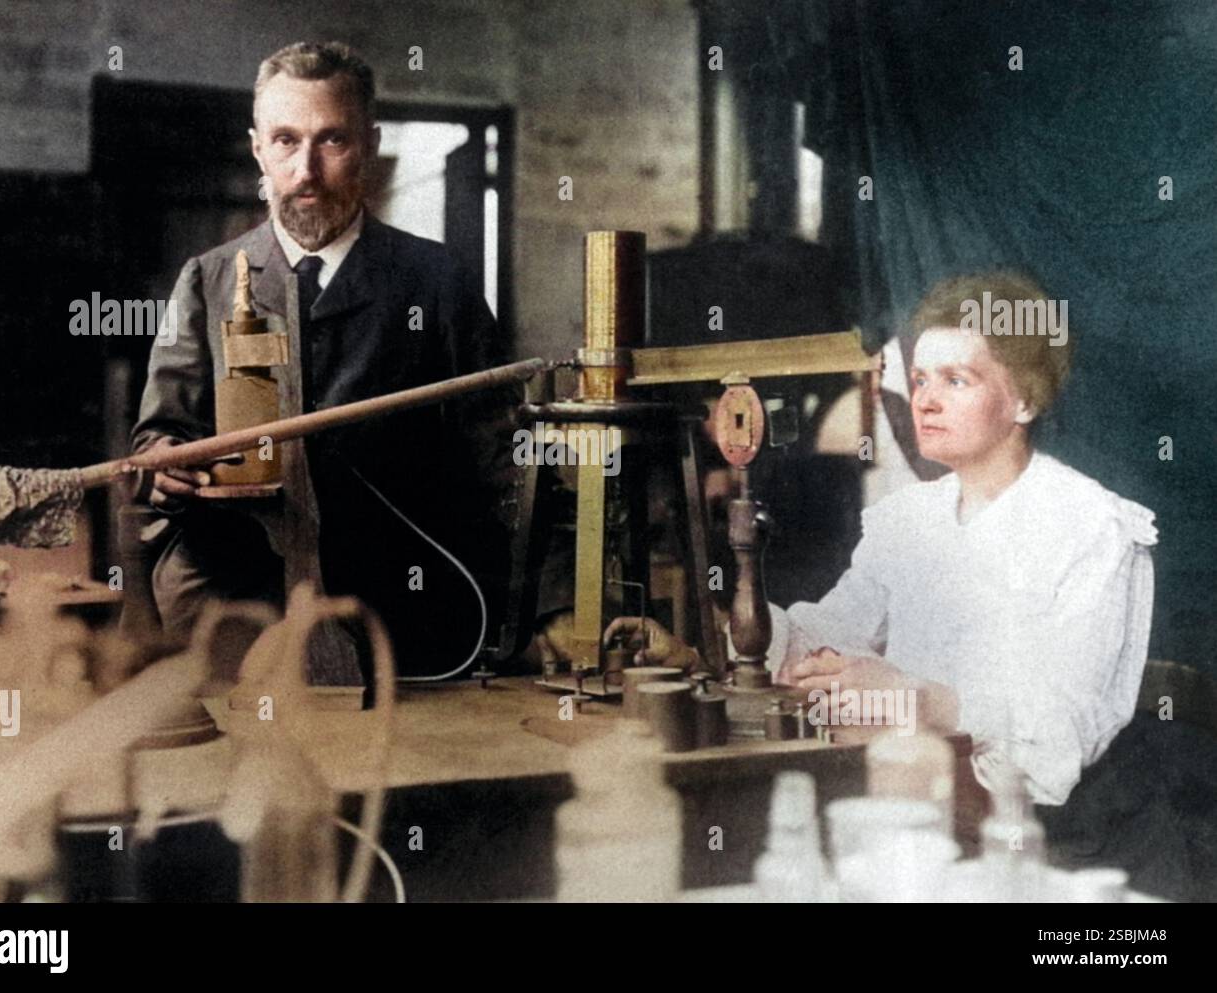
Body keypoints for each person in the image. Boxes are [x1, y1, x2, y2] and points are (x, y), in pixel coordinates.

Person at [608, 271, 1157, 807]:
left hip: (1039, 830)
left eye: (956, 380)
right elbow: (830, 637)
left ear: (1025, 402)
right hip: (906, 794)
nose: (925, 401)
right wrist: (701, 652)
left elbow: (1066, 732)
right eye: (920, 380)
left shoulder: (1091, 527)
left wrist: (914, 698)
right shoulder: (912, 518)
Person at [130, 42, 512, 685]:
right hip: (236, 615)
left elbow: (504, 457)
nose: (305, 169)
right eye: (285, 141)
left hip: (401, 620)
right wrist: (164, 464)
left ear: (368, 144)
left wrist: (550, 604)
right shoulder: (207, 280)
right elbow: (156, 438)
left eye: (331, 140)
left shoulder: (435, 281)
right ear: (258, 149)